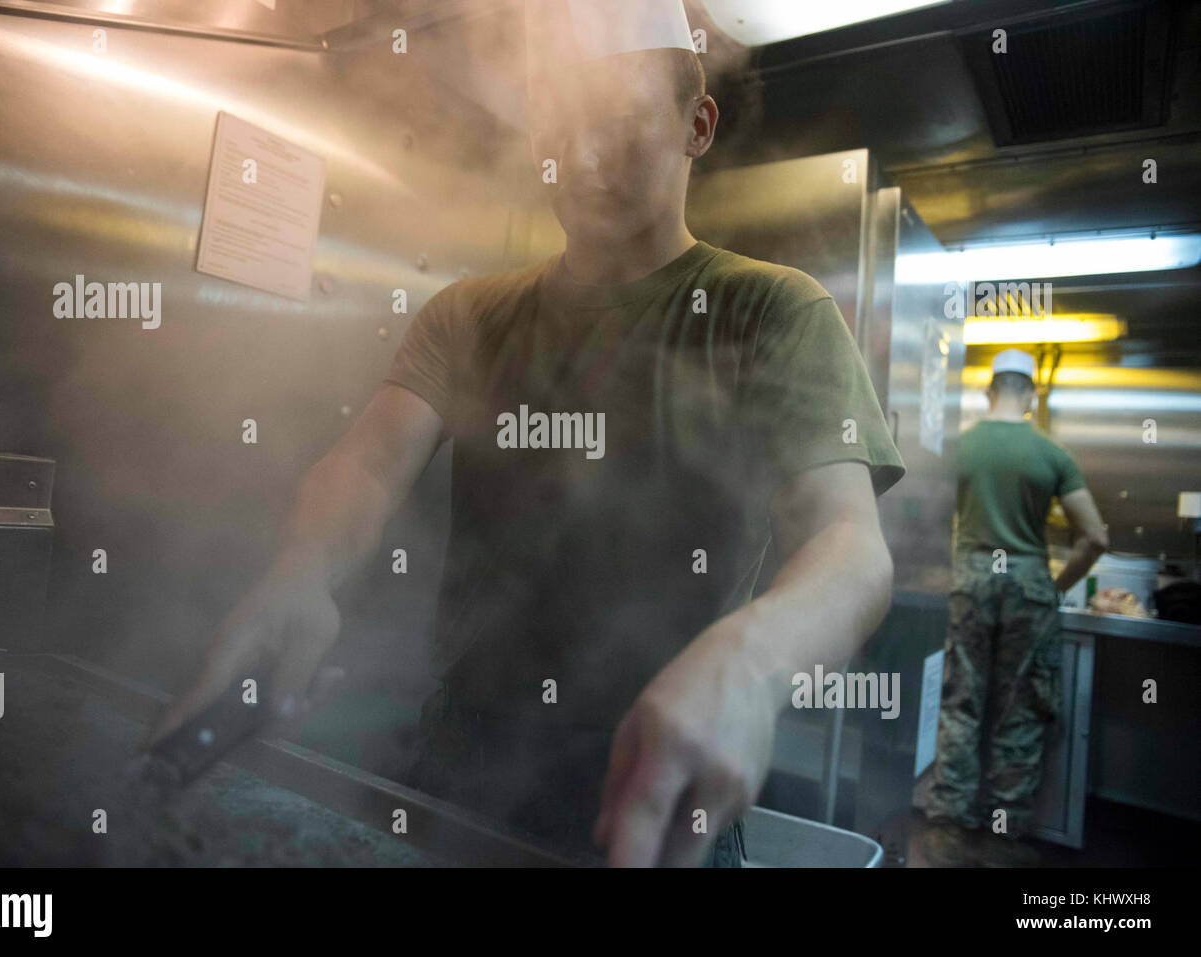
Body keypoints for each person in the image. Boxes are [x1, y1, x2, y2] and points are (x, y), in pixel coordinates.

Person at [152, 0, 905, 867]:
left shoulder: (773, 309)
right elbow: (365, 465)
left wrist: (750, 663)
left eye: (617, 126)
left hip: (663, 783)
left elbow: (850, 543)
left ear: (698, 125)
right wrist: (302, 574)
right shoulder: (470, 314)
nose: (579, 162)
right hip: (457, 769)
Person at [921, 348, 1107, 867]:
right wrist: (1054, 583)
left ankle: (946, 831)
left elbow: (928, 522)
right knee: (1021, 709)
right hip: (1027, 582)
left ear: (988, 390)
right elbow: (1093, 536)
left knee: (961, 700)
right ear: (1031, 393)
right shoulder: (1052, 454)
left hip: (972, 578)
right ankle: (1002, 835)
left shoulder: (961, 447)